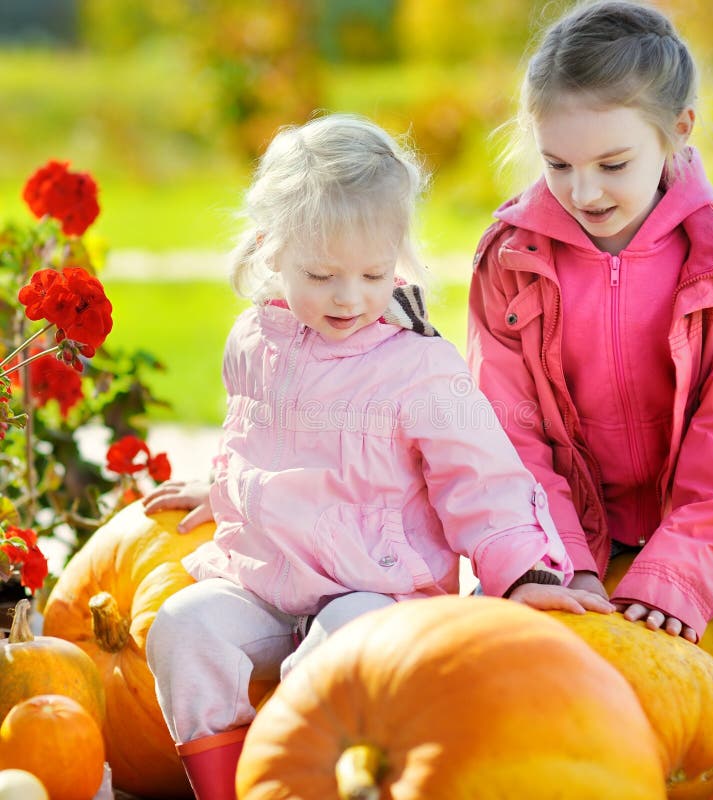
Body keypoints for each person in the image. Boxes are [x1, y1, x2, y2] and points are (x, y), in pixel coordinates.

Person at [144, 113, 613, 800]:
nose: (349, 296)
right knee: (182, 630)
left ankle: (302, 785)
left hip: (377, 592)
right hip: (268, 580)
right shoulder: (254, 340)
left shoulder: (420, 370)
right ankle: (227, 789)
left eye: (373, 273)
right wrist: (221, 489)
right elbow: (249, 436)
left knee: (330, 667)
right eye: (322, 273)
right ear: (273, 251)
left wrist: (521, 572)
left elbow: (482, 481)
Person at [468, 0, 713, 700]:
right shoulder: (511, 260)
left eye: (612, 164)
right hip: (566, 520)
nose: (583, 191)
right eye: (557, 163)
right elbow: (509, 433)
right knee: (475, 678)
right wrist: (557, 559)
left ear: (677, 130)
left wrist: (677, 570)